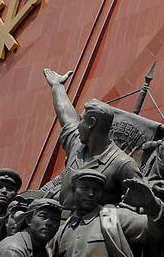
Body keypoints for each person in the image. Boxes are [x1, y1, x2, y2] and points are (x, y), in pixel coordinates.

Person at [42, 68, 142, 209]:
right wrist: (57, 86)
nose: (78, 124)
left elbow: (139, 206)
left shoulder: (123, 164)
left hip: (92, 228)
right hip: (61, 225)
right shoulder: (77, 144)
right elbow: (66, 115)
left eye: (81, 120)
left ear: (92, 122)